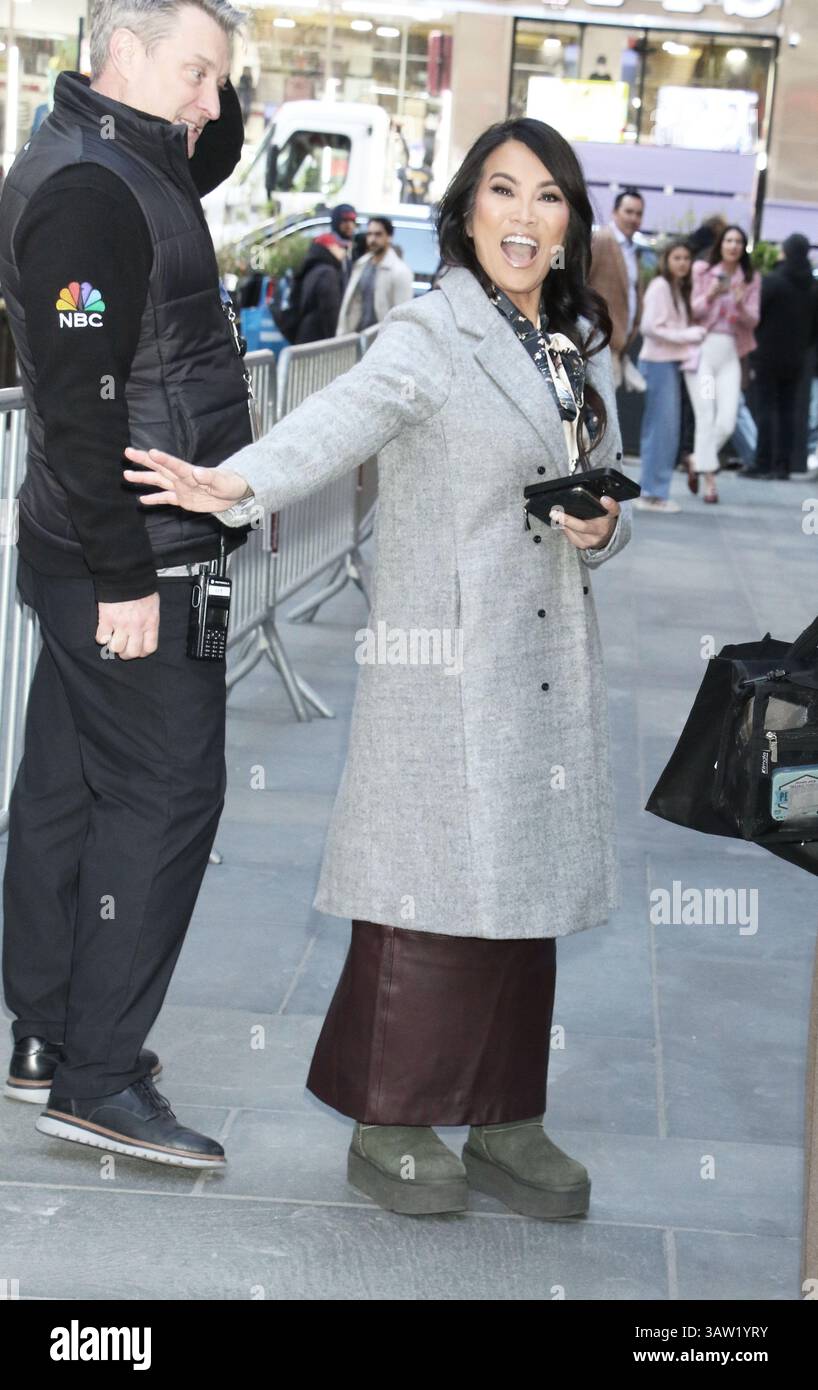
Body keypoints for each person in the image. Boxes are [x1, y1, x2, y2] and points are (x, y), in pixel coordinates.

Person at [124, 116, 632, 1220]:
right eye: (502, 191)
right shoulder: (428, 331)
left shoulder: (566, 346)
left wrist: (603, 526)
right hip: (444, 660)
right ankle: (388, 1117)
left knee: (521, 894)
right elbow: (340, 420)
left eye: (547, 198)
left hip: (543, 654)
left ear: (568, 225)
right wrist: (238, 483)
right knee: (428, 895)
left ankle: (506, 1117)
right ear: (465, 212)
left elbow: (595, 470)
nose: (524, 216)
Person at [0, 0, 252, 1167]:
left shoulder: (107, 157)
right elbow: (78, 388)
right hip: (131, 556)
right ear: (123, 55)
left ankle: (46, 1038)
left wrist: (208, 75)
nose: (211, 104)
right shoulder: (90, 191)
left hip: (101, 550)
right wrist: (123, 571)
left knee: (64, 791)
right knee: (162, 801)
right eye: (197, 75)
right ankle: (99, 1075)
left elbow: (201, 143)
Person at [684, 224, 760, 504]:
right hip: (703, 353)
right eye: (729, 240)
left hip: (730, 355)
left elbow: (753, 320)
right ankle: (710, 482)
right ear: (721, 244)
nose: (733, 246)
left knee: (727, 422)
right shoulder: (702, 271)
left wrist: (740, 304)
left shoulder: (750, 278)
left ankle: (696, 459)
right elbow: (692, 310)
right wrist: (712, 294)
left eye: (739, 241)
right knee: (707, 414)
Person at [635, 239, 705, 513]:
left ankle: (653, 489)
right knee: (661, 430)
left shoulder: (676, 288)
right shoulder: (661, 286)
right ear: (667, 260)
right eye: (677, 257)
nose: (683, 263)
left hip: (669, 363)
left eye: (686, 258)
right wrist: (687, 336)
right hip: (658, 363)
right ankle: (652, 492)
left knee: (666, 430)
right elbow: (649, 326)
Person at [741, 232, 818, 480]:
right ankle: (784, 465)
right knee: (788, 410)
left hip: (766, 355)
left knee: (766, 408)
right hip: (796, 358)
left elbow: (755, 316)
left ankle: (763, 462)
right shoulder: (812, 287)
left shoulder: (773, 281)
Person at [588, 187, 645, 386]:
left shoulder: (632, 249)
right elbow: (578, 282)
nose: (633, 218)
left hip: (619, 347)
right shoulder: (601, 239)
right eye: (628, 212)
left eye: (638, 213)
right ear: (615, 212)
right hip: (596, 343)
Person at [335, 215, 414, 336]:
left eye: (378, 234)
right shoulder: (361, 264)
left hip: (381, 342)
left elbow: (402, 317)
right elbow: (350, 305)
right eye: (369, 234)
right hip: (356, 339)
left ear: (389, 237)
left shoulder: (400, 271)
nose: (372, 239)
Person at [289, 231, 346, 342]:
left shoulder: (312, 268)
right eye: (340, 247)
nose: (343, 252)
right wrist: (335, 340)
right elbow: (330, 310)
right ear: (330, 248)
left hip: (305, 335)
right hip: (319, 339)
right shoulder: (328, 273)